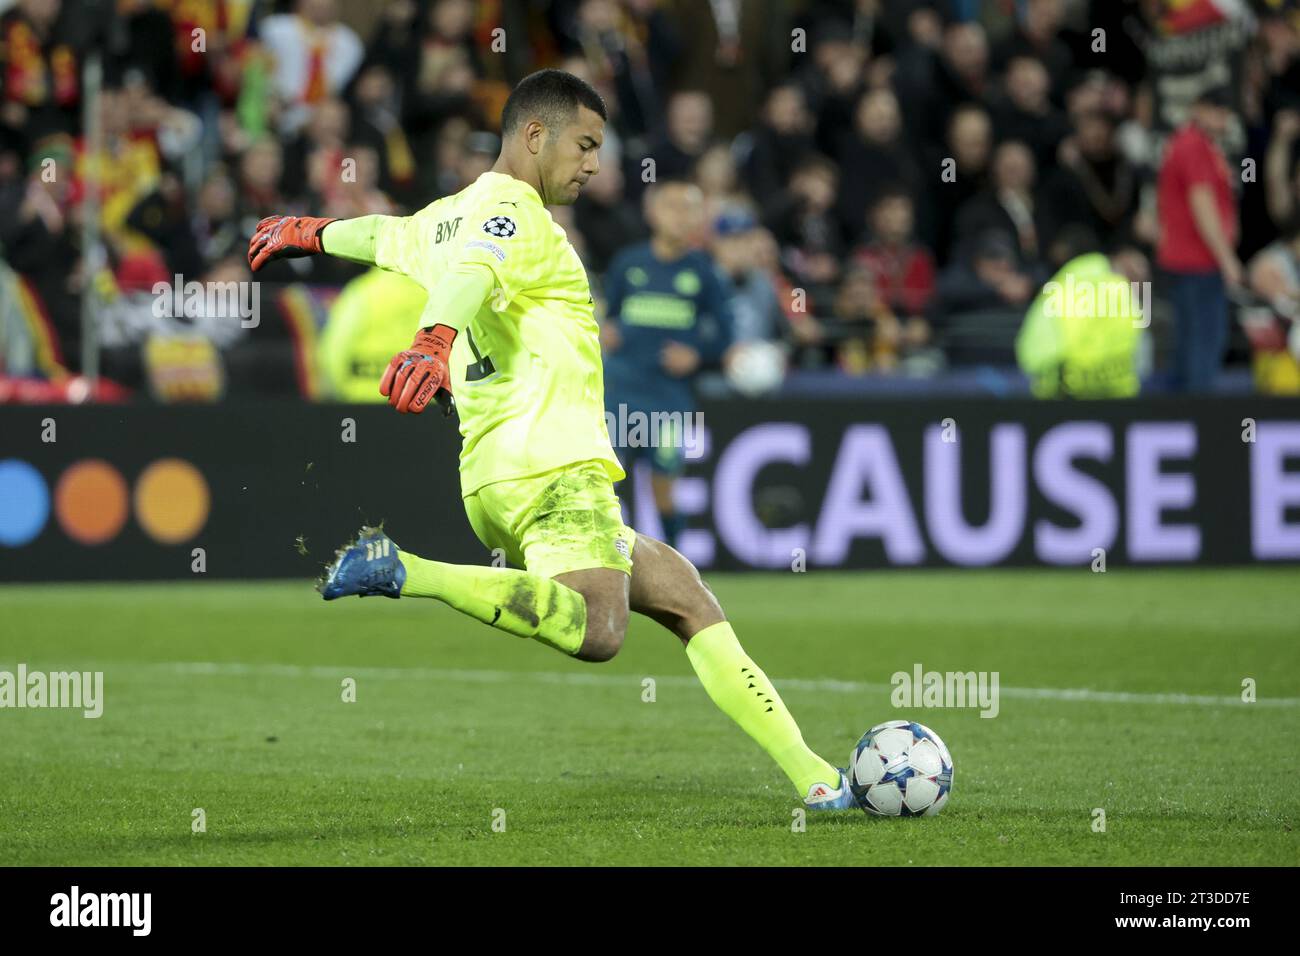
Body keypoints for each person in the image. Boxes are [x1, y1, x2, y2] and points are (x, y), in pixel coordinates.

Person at [246, 69, 856, 811]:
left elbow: (385, 236)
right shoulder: (519, 216)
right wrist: (433, 340)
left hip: (492, 472)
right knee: (600, 631)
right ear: (535, 136)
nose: (594, 163)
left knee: (685, 596)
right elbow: (475, 271)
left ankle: (814, 776)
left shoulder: (448, 214)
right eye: (586, 143)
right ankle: (407, 570)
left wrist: (308, 233)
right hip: (554, 465)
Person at [600, 179, 734, 550]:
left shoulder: (704, 271)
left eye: (689, 208)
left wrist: (697, 354)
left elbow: (726, 333)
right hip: (621, 390)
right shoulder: (628, 263)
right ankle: (608, 563)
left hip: (669, 399)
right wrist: (606, 333)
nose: (680, 215)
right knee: (607, 486)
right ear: (653, 212)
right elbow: (607, 320)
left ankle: (677, 567)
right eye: (672, 206)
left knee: (664, 488)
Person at [1156, 86, 1241, 392]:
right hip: (1197, 262)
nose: (1224, 121)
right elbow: (1202, 205)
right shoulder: (1193, 146)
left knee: (1190, 341)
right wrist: (1227, 260)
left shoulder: (1194, 144)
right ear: (1200, 109)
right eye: (1218, 113)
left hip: (1188, 261)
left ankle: (1183, 419)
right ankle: (1197, 418)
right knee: (1203, 343)